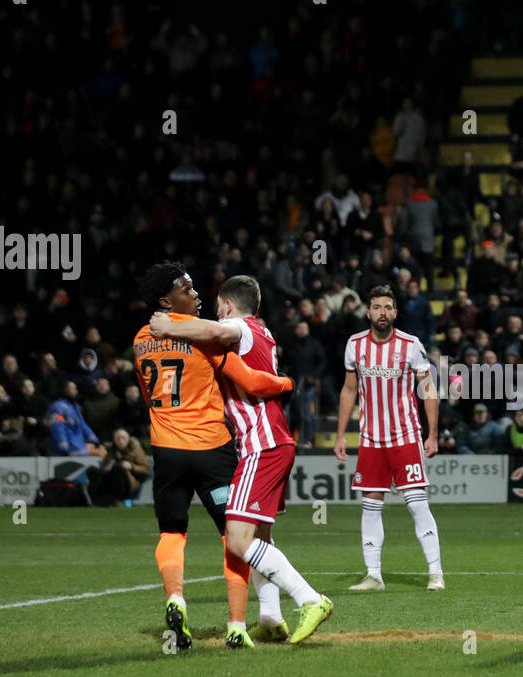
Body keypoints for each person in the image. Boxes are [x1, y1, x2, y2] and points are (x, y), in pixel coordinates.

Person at [149, 274, 333, 647]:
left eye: (218, 309)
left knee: (236, 540)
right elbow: (253, 378)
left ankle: (310, 599)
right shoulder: (263, 333)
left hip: (260, 446)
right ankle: (269, 618)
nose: (215, 317)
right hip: (277, 442)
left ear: (229, 307)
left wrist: (169, 325)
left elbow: (222, 342)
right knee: (261, 534)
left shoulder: (236, 327)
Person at [334, 285, 444, 591]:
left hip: (406, 437)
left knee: (417, 504)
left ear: (395, 312)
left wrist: (432, 435)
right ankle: (374, 575)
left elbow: (428, 390)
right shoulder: (355, 344)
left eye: (388, 307)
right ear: (368, 312)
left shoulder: (410, 344)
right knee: (370, 505)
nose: (383, 313)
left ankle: (436, 573)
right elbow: (349, 390)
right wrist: (341, 435)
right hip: (371, 440)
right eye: (377, 307)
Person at [87, 428, 151, 506]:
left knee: (118, 468)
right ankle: (97, 502)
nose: (120, 441)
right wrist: (106, 468)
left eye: (123, 438)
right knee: (91, 471)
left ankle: (120, 500)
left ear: (128, 439)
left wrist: (131, 466)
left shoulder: (136, 450)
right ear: (114, 440)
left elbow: (146, 469)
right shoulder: (111, 450)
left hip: (128, 481)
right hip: (111, 479)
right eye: (118, 438)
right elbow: (103, 467)